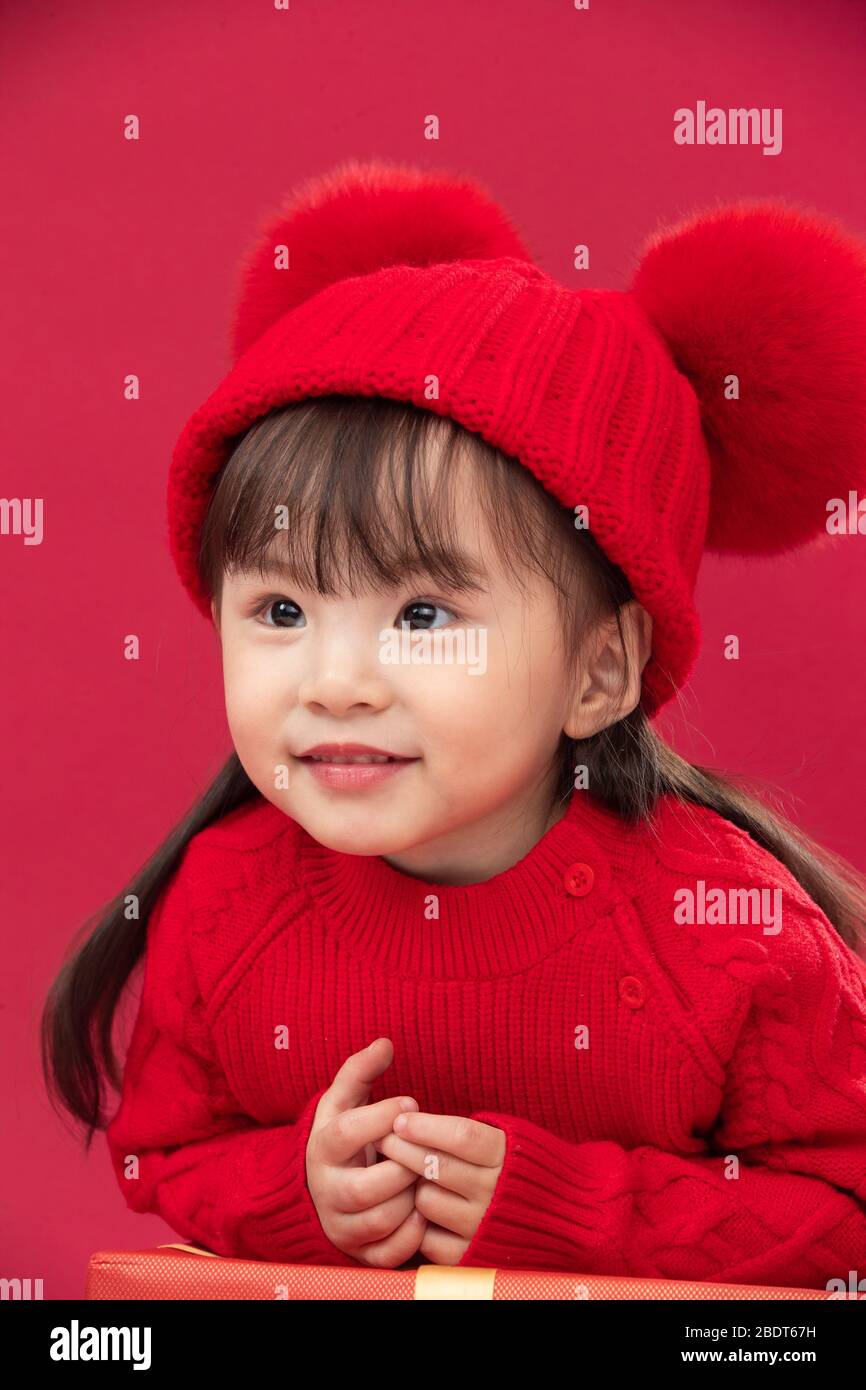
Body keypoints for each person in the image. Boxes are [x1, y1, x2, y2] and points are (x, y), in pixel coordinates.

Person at [42, 160, 866, 1283]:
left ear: (599, 670)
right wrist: (302, 1194)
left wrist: (574, 1210)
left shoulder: (730, 943)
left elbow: (841, 1207)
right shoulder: (223, 904)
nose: (334, 680)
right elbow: (169, 1152)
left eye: (422, 613)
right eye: (281, 608)